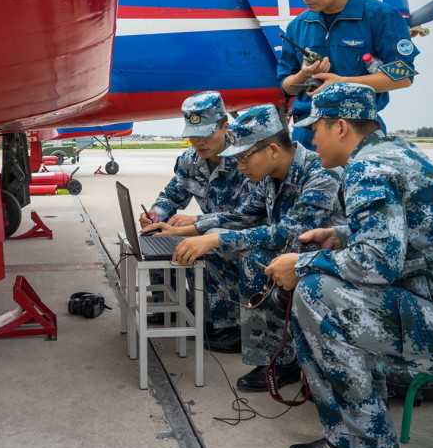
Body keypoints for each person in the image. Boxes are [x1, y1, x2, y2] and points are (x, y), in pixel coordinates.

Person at [266, 83, 433, 448]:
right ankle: (368, 423)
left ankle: (365, 443)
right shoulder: (396, 153)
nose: (309, 138)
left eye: (315, 127)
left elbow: (377, 263)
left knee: (316, 293)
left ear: (341, 128)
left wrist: (299, 264)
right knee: (332, 283)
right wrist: (339, 237)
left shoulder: (368, 167)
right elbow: (406, 237)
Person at [144, 104, 343, 392]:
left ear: (273, 150)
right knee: (217, 243)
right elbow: (239, 216)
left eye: (243, 158)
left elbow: (291, 232)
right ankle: (261, 347)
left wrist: (214, 238)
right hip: (294, 258)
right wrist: (185, 231)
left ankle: (282, 359)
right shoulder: (270, 177)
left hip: (325, 265)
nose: (239, 166)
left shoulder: (320, 173)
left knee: (253, 256)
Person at [277, 0, 420, 150]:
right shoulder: (298, 25)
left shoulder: (381, 17)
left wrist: (342, 83)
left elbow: (403, 77)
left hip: (358, 137)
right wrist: (303, 75)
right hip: (306, 139)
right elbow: (285, 86)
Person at [139, 91, 254, 352]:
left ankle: (228, 326)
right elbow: (171, 195)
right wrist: (156, 214)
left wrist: (197, 222)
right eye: (193, 134)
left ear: (225, 126)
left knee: (204, 241)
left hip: (245, 239)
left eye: (206, 134)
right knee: (157, 236)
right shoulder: (191, 160)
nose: (198, 142)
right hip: (209, 230)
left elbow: (250, 215)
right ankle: (169, 308)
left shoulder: (245, 158)